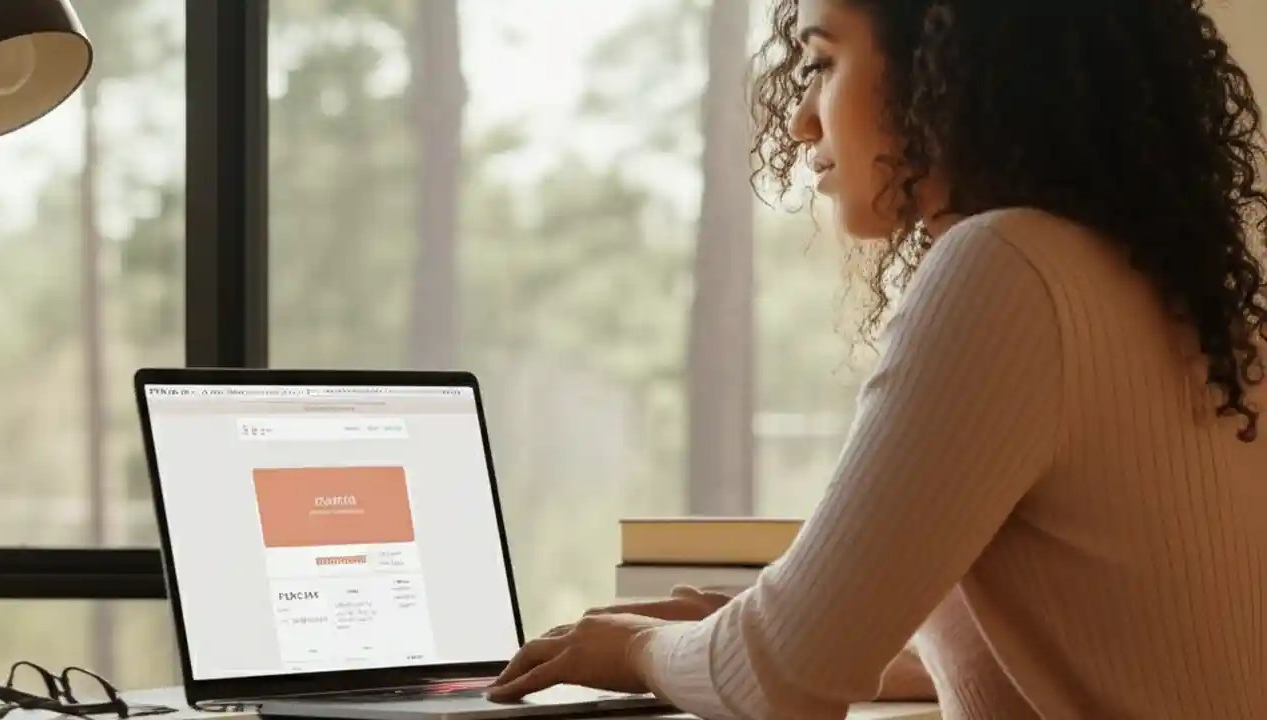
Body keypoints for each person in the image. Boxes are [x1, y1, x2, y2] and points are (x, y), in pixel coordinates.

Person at [487, 0, 1267, 716]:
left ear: (940, 61)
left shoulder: (1004, 267)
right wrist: (766, 614)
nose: (797, 122)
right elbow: (1068, 646)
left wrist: (633, 647)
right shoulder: (1164, 288)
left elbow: (780, 679)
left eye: (822, 63)